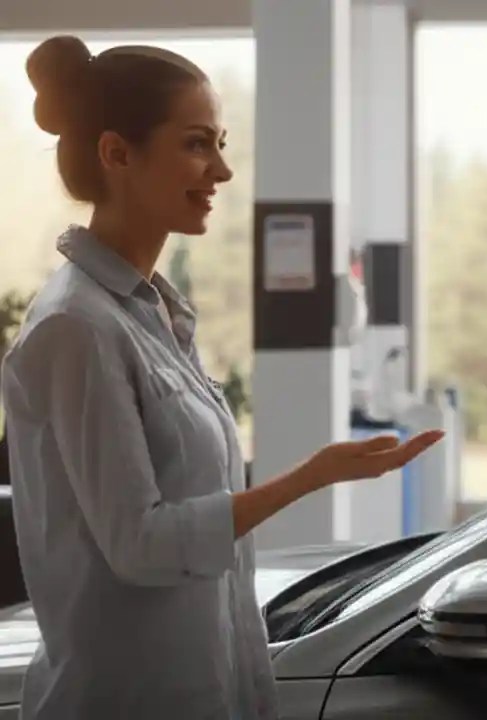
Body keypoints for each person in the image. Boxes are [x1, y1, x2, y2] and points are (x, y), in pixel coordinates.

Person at [0, 36, 443, 719]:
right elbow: (142, 545)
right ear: (118, 154)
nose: (223, 171)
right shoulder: (76, 328)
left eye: (221, 143)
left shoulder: (152, 315)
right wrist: (311, 476)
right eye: (197, 144)